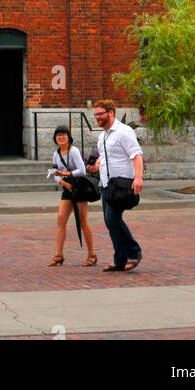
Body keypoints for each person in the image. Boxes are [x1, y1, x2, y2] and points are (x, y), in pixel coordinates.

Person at [87, 99, 143, 272]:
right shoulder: (103, 136)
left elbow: (136, 155)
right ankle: (119, 260)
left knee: (112, 219)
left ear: (111, 113)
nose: (98, 117)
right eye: (96, 114)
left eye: (101, 114)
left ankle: (134, 252)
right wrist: (96, 166)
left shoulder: (123, 132)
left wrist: (138, 178)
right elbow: (104, 157)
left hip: (122, 184)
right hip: (106, 185)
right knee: (110, 221)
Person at [47, 126, 97, 268]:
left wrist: (67, 175)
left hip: (79, 187)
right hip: (67, 188)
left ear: (69, 137)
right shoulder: (56, 154)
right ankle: (58, 255)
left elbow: (82, 170)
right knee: (61, 219)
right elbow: (55, 172)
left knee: (82, 221)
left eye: (63, 135)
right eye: (58, 135)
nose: (61, 137)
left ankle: (92, 254)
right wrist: (62, 181)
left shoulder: (73, 151)